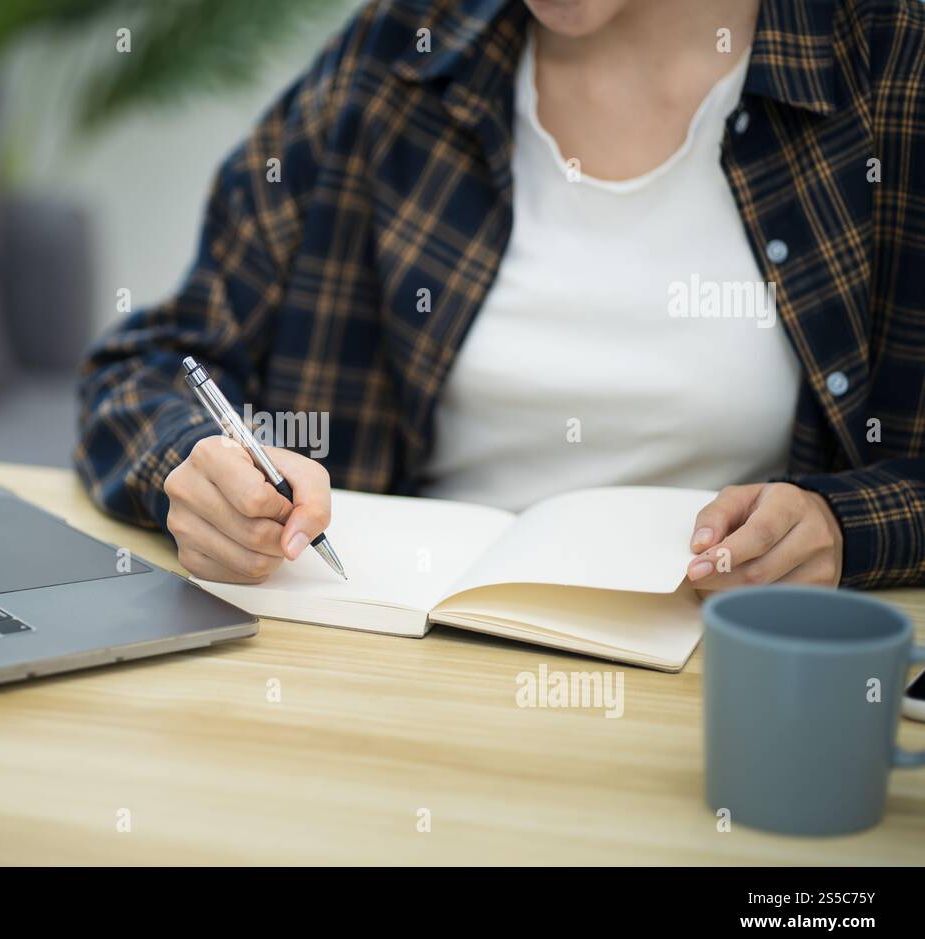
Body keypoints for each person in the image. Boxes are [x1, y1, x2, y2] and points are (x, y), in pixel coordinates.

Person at [77, 0, 925, 592]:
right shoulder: (404, 51)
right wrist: (191, 468)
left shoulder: (888, 61)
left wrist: (845, 526)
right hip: (400, 666)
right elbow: (142, 368)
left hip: (723, 687)